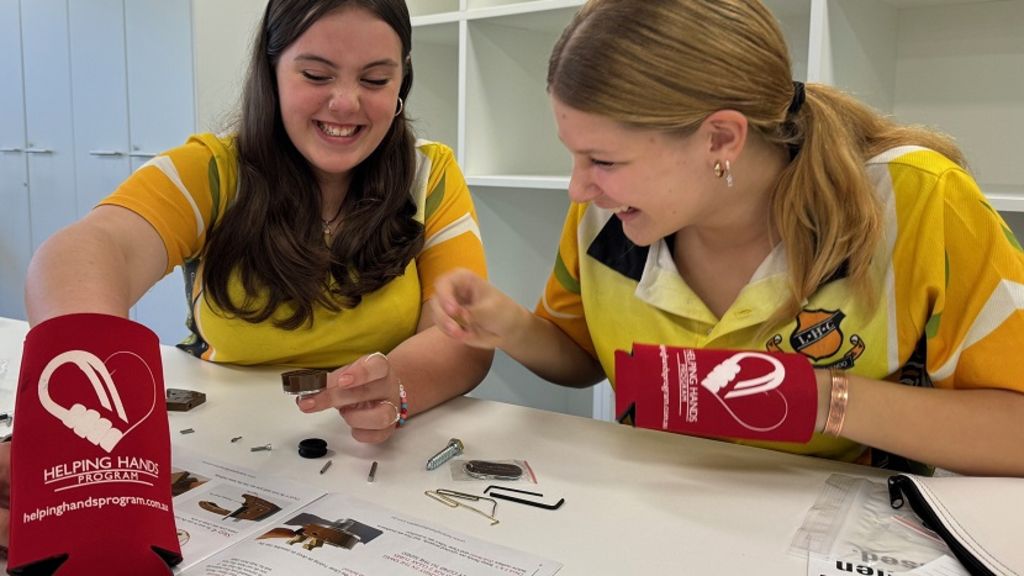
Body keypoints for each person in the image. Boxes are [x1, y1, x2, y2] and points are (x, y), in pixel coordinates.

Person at [431, 0, 1024, 477]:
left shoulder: (917, 200)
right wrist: (510, 326)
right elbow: (584, 357)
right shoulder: (610, 216)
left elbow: (1013, 430)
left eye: (603, 159)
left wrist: (812, 399)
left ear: (720, 138)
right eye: (575, 156)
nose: (579, 188)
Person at [23, 0, 491, 442]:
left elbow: (465, 335)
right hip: (224, 437)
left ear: (401, 83)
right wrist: (89, 381)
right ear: (271, 74)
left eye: (374, 80)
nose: (346, 103)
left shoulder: (428, 173)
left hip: (368, 448)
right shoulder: (210, 169)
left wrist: (398, 386)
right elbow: (86, 251)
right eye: (315, 75)